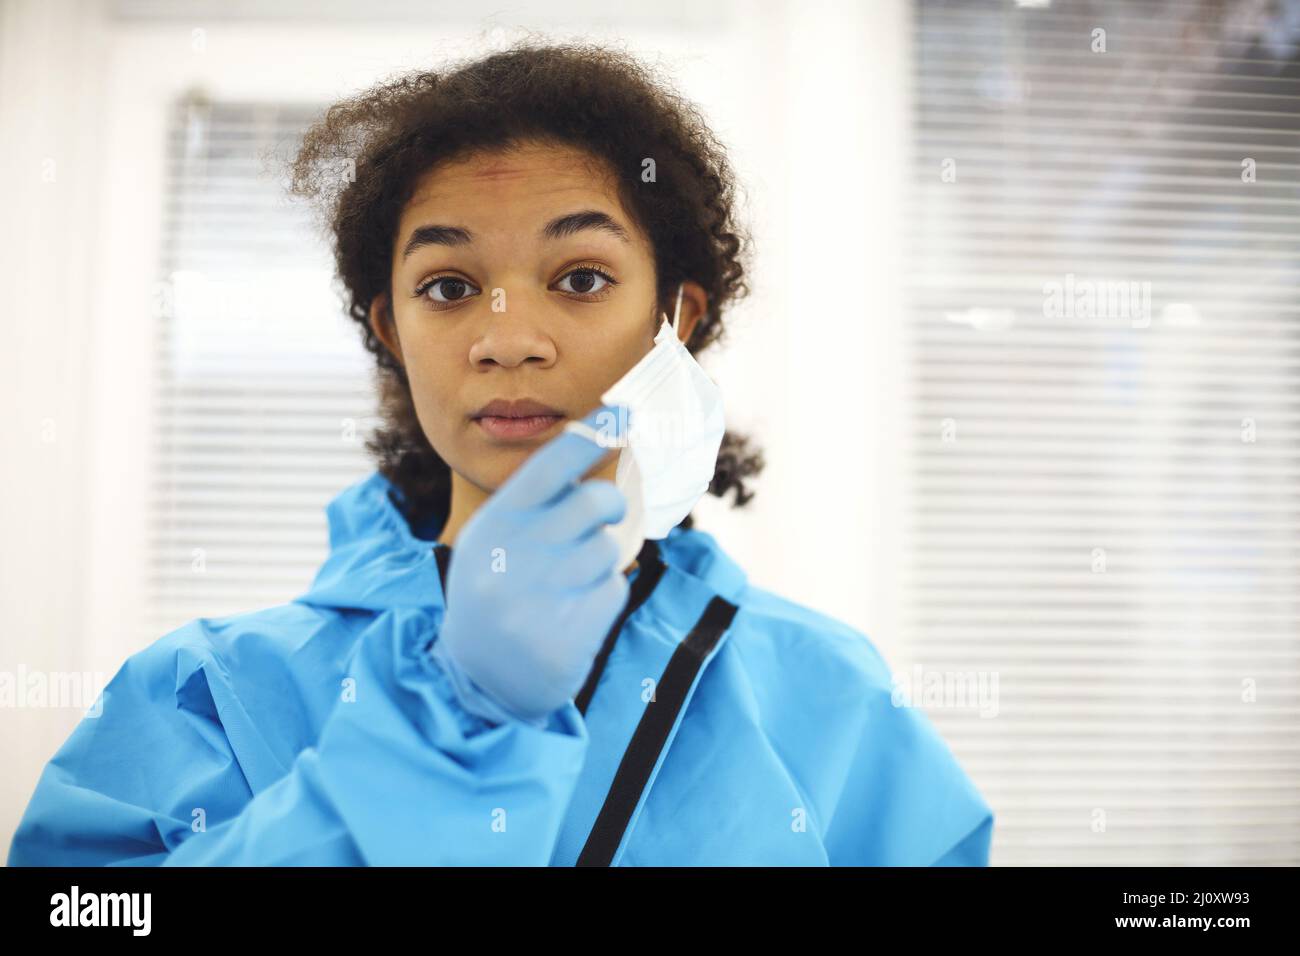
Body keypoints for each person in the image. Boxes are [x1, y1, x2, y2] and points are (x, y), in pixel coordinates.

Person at [7, 40, 993, 866]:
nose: (508, 336)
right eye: (447, 287)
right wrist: (443, 722)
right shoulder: (207, 689)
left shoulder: (826, 692)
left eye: (577, 275)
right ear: (389, 329)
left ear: (676, 318)